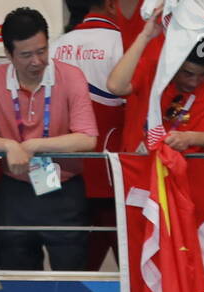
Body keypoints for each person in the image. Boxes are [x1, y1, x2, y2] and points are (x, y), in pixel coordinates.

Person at [0, 6, 98, 271]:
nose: (36, 61)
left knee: (72, 271)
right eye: (26, 55)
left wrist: (35, 146)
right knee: (19, 275)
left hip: (63, 191)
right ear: (9, 55)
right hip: (15, 192)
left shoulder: (70, 76)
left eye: (42, 51)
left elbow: (87, 138)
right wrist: (8, 145)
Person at [51, 0, 126, 268]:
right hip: (111, 176)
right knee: (130, 273)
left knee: (72, 270)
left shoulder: (55, 47)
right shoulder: (122, 44)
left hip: (63, 177)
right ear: (110, 4)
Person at [107, 8, 204, 153]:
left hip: (193, 168)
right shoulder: (152, 69)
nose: (194, 82)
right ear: (172, 61)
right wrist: (144, 36)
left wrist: (190, 139)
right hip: (144, 165)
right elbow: (115, 86)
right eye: (187, 73)